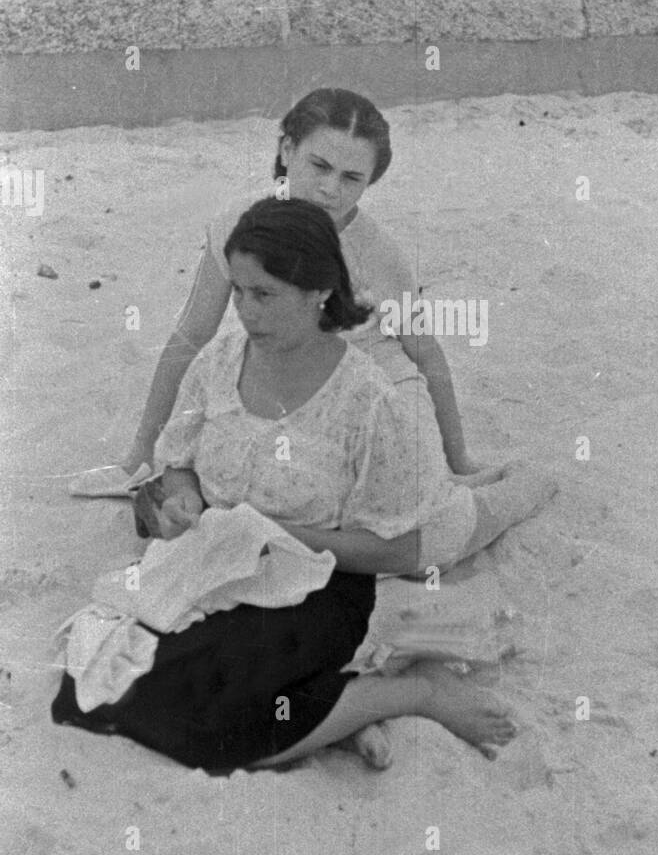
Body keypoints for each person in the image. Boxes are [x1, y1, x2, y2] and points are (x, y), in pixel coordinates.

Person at [53, 199, 518, 772]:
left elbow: (399, 548)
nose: (246, 311)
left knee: (219, 729)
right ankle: (336, 714)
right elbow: (179, 464)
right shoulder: (220, 363)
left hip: (318, 589)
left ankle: (415, 694)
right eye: (241, 292)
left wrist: (275, 532)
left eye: (265, 295)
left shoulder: (369, 401)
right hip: (218, 571)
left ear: (319, 290)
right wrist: (183, 502)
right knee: (98, 690)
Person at [70, 89, 554, 569]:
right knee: (227, 497)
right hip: (275, 376)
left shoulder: (379, 253)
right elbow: (190, 335)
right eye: (319, 166)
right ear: (286, 152)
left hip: (375, 389)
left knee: (408, 532)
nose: (330, 189)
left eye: (351, 178)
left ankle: (502, 498)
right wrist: (140, 449)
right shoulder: (241, 227)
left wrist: (458, 457)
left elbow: (424, 354)